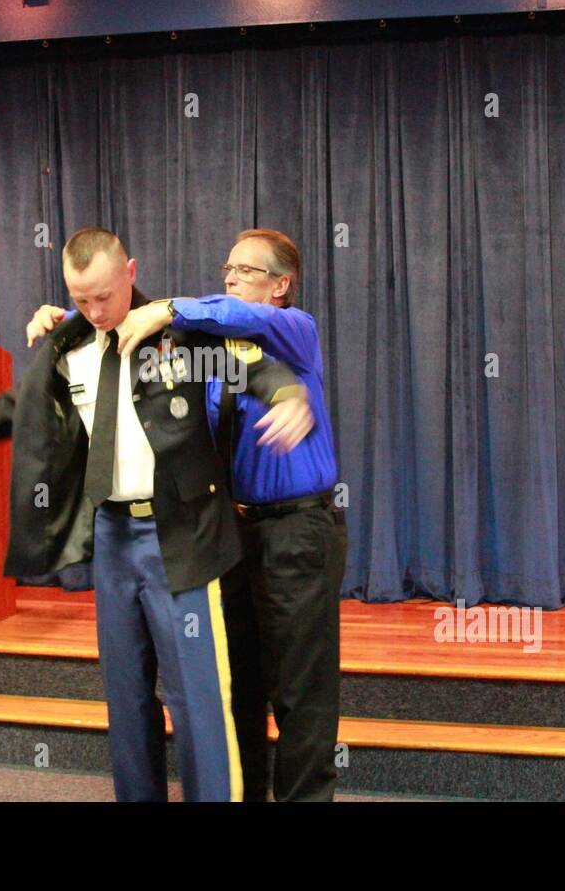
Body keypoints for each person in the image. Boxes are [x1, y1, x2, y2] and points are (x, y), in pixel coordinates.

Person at [0, 227, 315, 802]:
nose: (94, 310)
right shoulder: (70, 345)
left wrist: (287, 397)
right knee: (126, 695)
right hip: (113, 537)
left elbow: (254, 368)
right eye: (81, 298)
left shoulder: (177, 337)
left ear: (130, 272)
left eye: (104, 296)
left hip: (181, 536)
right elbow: (13, 409)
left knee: (197, 699)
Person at [27, 228, 345, 801]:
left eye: (246, 271)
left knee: (301, 690)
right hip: (227, 532)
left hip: (295, 530)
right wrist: (65, 325)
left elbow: (223, 316)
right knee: (236, 685)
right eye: (227, 267)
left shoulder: (296, 331)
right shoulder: (208, 347)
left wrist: (168, 308)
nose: (229, 277)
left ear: (281, 285)